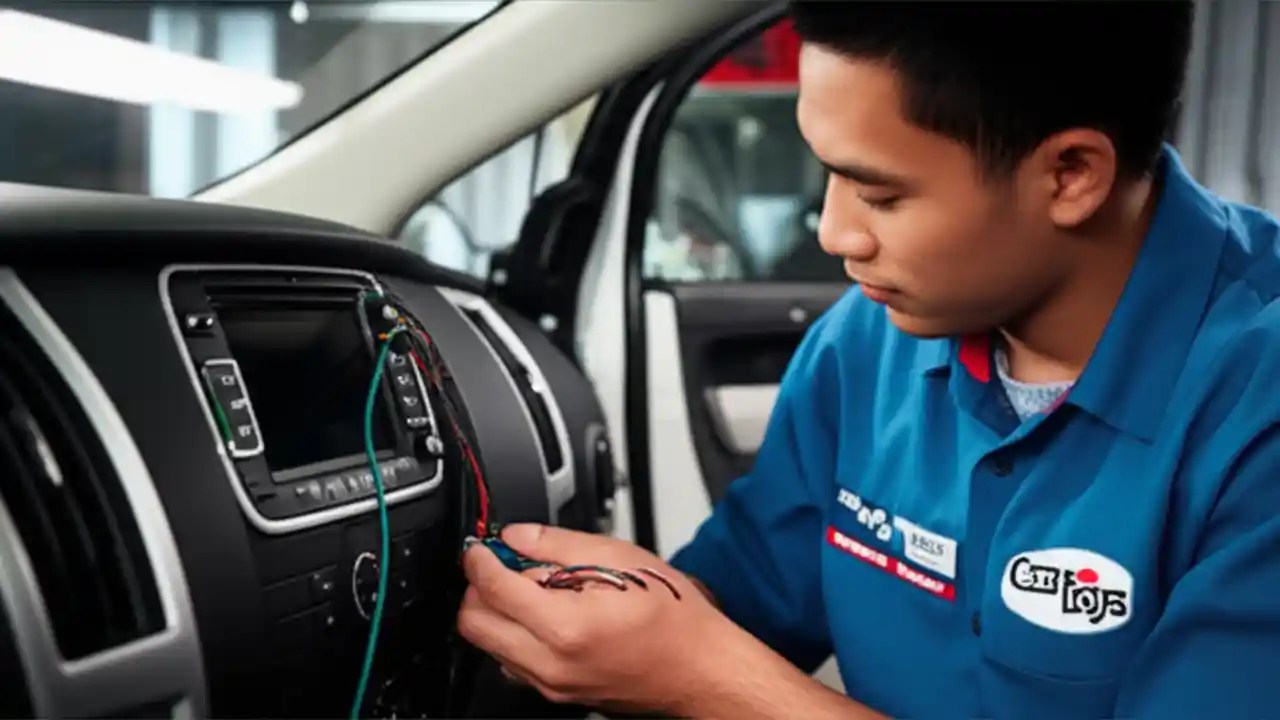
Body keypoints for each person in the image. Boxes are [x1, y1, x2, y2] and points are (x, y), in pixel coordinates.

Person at [457, 1, 1280, 717]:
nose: (834, 233)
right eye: (828, 177)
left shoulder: (1256, 410)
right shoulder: (867, 343)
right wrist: (608, 620)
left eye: (881, 194)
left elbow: (711, 664)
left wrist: (704, 677)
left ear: (1069, 174)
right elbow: (740, 605)